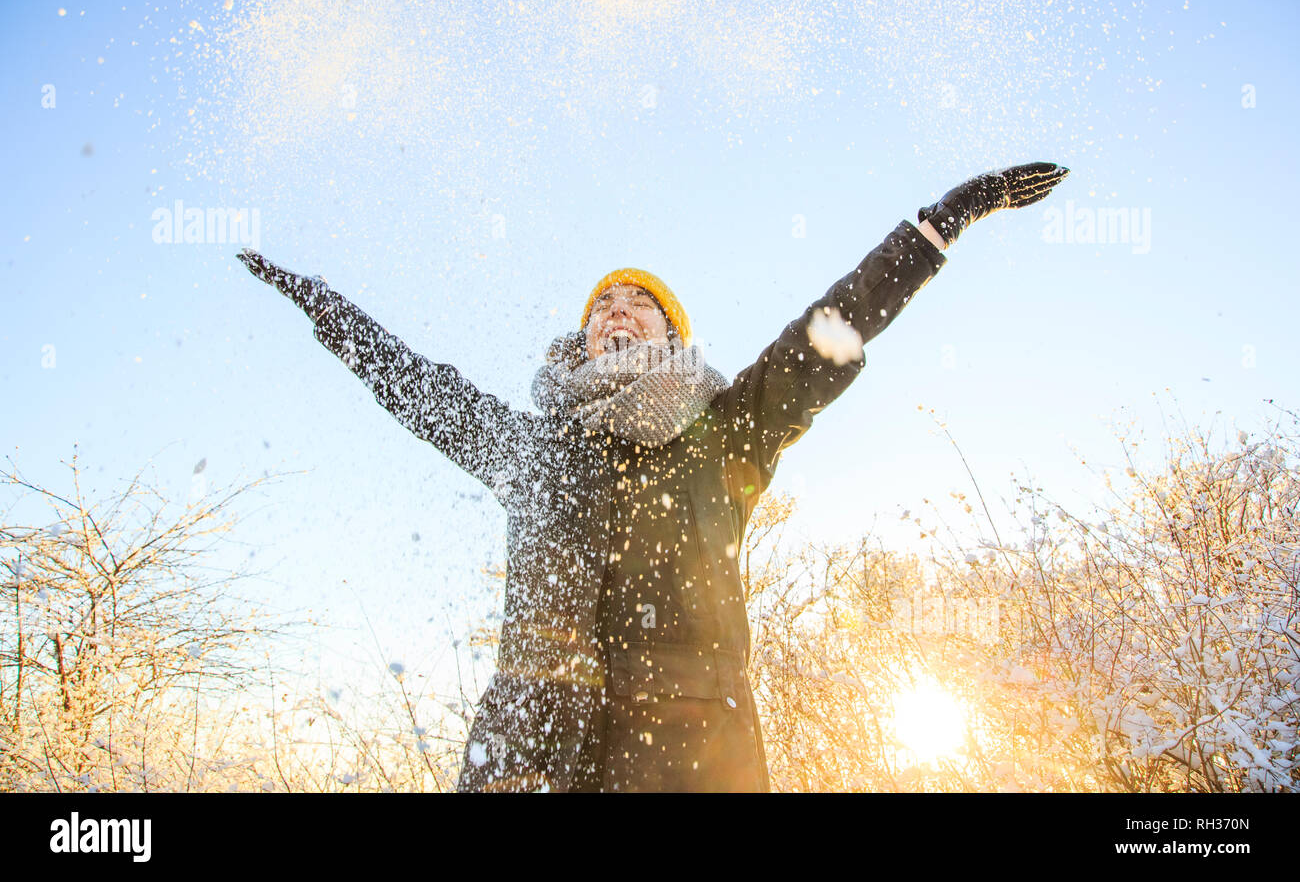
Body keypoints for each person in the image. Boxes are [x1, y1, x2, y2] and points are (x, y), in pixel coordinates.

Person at [238, 161, 1069, 792]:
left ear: (672, 335)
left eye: (638, 305)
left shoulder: (725, 434)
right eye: (603, 306)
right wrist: (324, 308)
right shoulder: (535, 452)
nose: (615, 313)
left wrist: (940, 224)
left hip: (691, 756)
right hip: (527, 755)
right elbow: (420, 387)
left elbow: (832, 330)